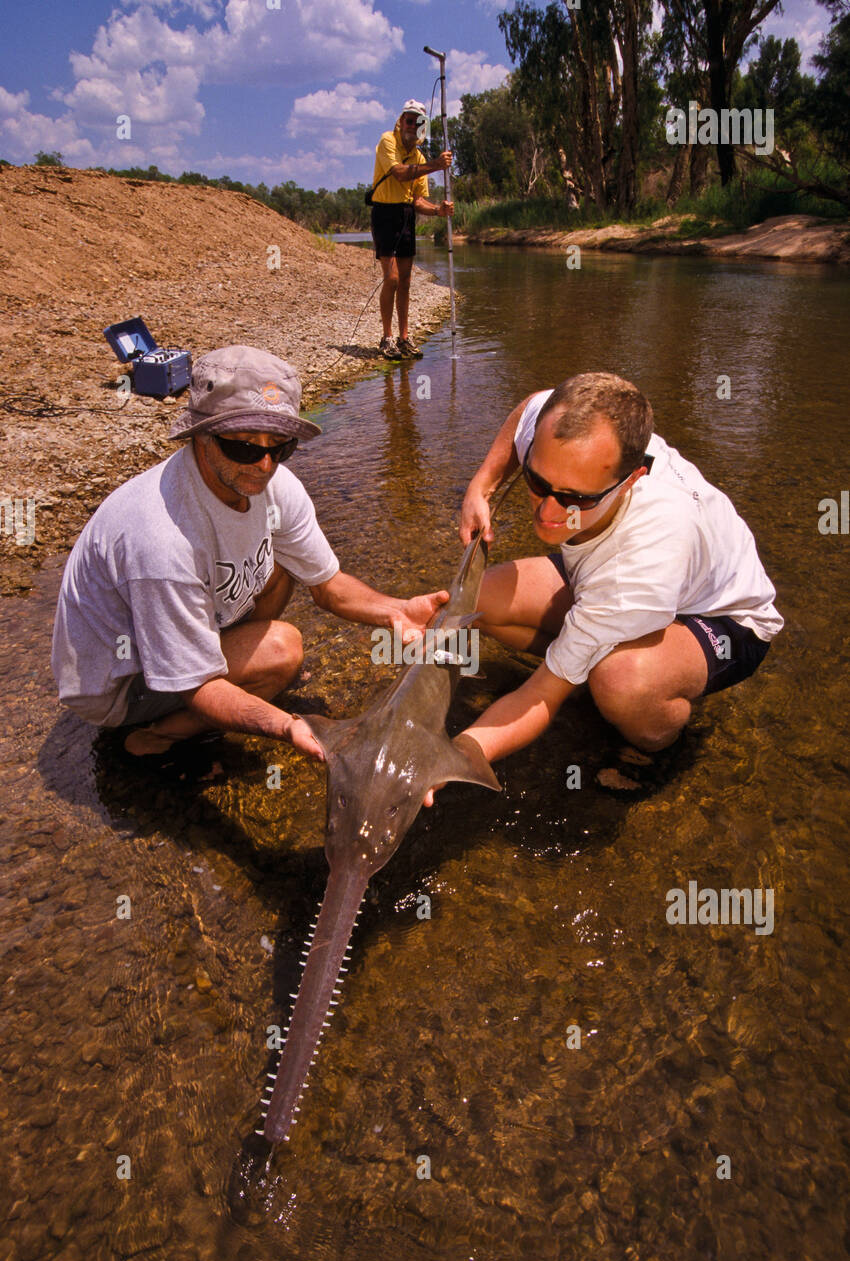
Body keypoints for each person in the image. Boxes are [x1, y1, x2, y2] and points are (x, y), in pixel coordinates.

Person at [51, 345, 449, 760]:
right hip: (119, 683)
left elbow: (327, 584)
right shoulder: (161, 541)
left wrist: (395, 611)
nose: (264, 465)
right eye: (243, 447)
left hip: (165, 628)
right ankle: (160, 735)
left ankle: (228, 663)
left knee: (283, 566)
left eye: (280, 447)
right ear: (200, 435)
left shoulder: (275, 487)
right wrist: (284, 723)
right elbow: (198, 685)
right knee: (283, 650)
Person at [425, 371, 782, 799]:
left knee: (620, 680)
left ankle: (653, 744)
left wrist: (456, 756)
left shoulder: (643, 561)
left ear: (630, 480)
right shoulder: (556, 425)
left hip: (723, 617)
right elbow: (528, 408)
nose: (548, 512)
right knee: (471, 602)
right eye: (538, 483)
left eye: (576, 498)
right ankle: (582, 658)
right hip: (620, 583)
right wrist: (479, 488)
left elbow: (540, 697)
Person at [369, 99, 454, 361]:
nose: (412, 125)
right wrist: (436, 165)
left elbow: (418, 200)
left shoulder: (418, 156)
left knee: (405, 281)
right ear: (401, 120)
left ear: (422, 127)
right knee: (392, 278)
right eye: (409, 119)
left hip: (406, 216)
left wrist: (438, 210)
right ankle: (386, 338)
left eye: (418, 122)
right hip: (384, 213)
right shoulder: (388, 141)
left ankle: (404, 338)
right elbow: (400, 173)